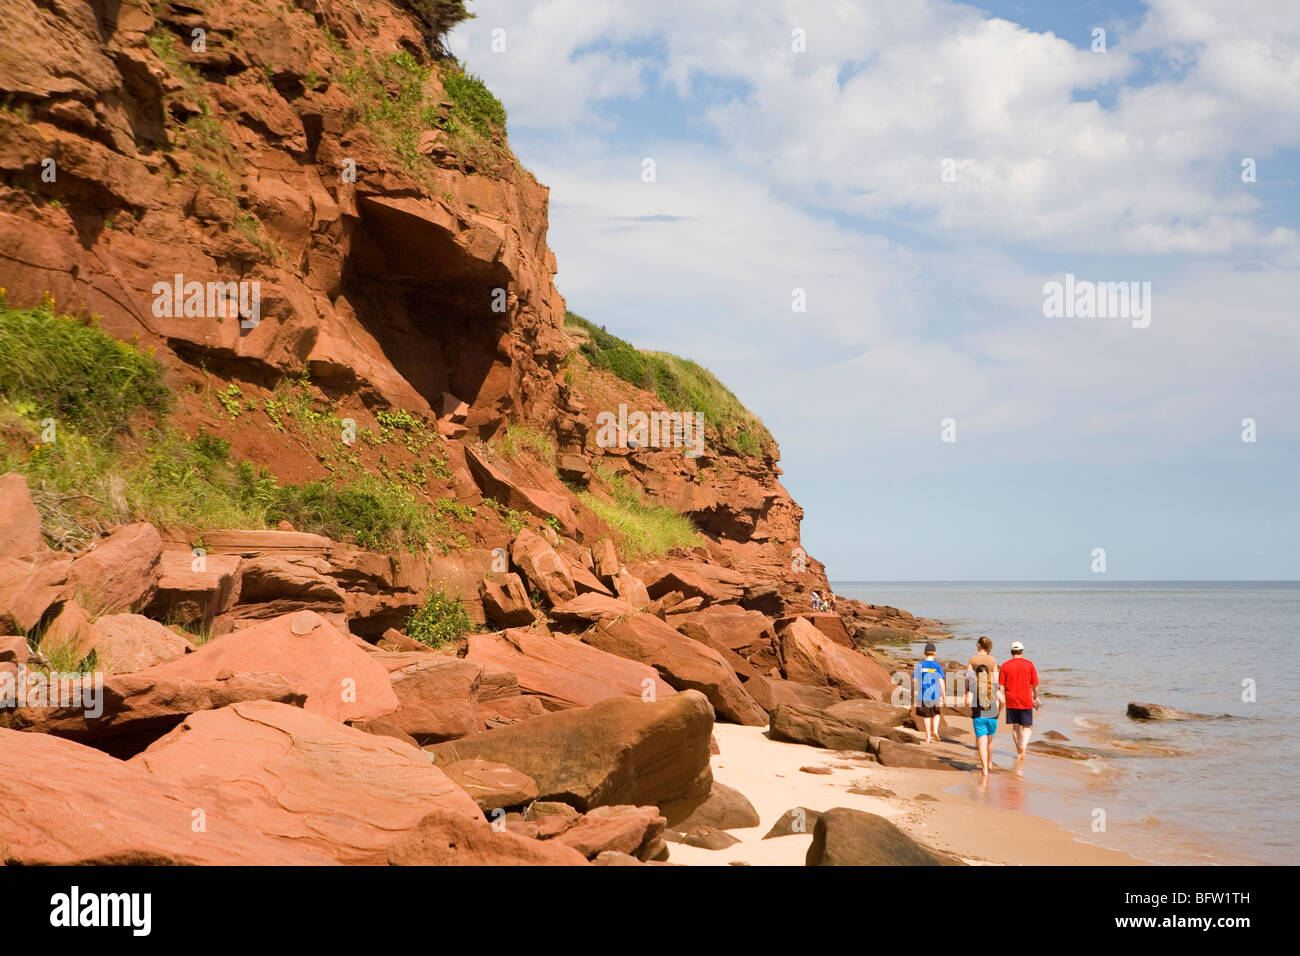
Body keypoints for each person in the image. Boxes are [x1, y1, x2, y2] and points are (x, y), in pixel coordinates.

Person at [964, 636, 1000, 780]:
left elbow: (967, 677)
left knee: (981, 738)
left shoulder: (972, 659)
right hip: (990, 698)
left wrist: (966, 693)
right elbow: (996, 680)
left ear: (978, 645)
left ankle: (984, 768)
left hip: (978, 697)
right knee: (990, 740)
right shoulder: (992, 660)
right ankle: (989, 763)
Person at [999, 640, 1041, 760]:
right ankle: (1023, 744)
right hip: (1026, 699)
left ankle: (1019, 751)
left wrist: (1003, 698)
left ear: (1011, 652)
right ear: (1022, 651)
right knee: (1027, 727)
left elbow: (1001, 685)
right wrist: (1036, 697)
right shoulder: (1029, 664)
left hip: (1011, 699)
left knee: (1015, 727)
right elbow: (1035, 684)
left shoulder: (1005, 665)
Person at [911, 643, 946, 743]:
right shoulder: (937, 665)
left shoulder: (920, 665)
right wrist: (943, 693)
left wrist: (913, 691)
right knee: (936, 714)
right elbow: (941, 681)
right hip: (935, 694)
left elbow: (914, 680)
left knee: (926, 716)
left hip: (923, 694)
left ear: (924, 653)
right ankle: (935, 730)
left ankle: (928, 737)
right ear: (935, 653)